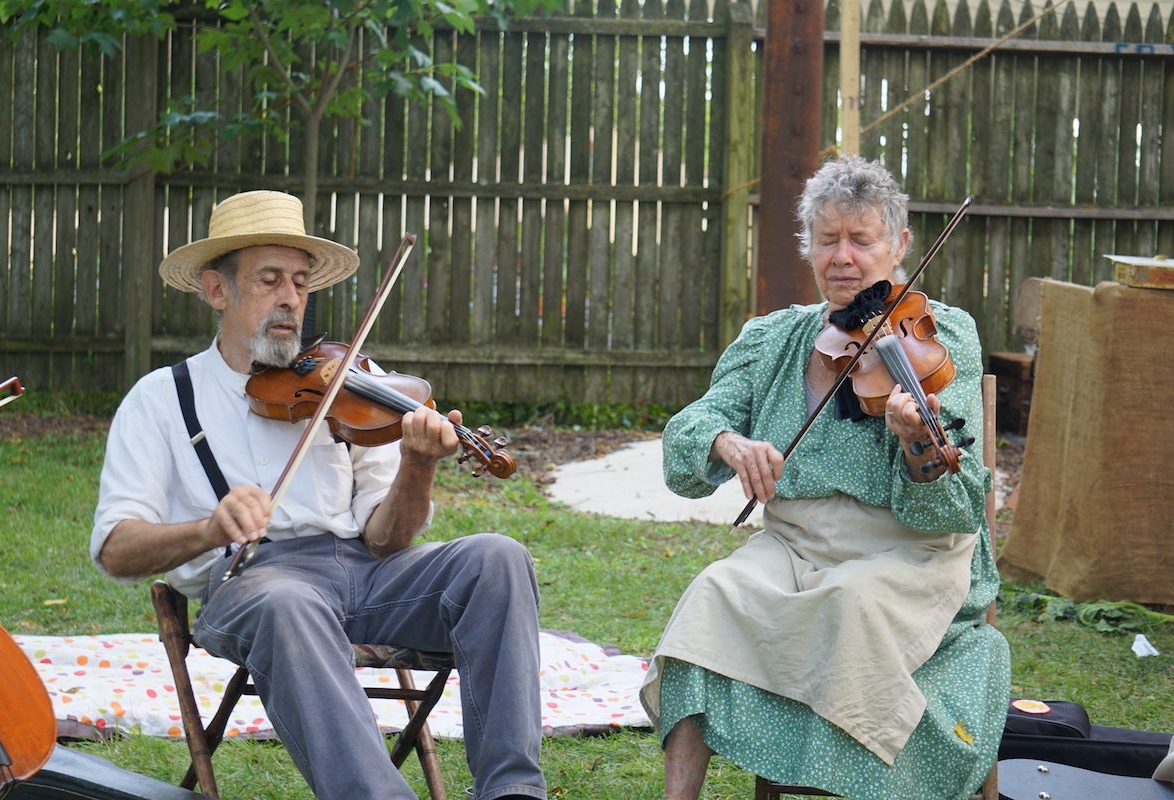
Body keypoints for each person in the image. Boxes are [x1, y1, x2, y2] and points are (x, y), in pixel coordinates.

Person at [90, 190, 547, 800]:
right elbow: (116, 549)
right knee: (287, 602)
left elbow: (387, 538)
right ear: (216, 290)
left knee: (498, 558)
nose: (290, 300)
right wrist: (206, 530)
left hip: (367, 574)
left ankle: (513, 793)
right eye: (270, 281)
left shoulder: (350, 380)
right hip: (255, 583)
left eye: (301, 284)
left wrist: (417, 464)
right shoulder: (160, 399)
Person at [639, 155, 1010, 800]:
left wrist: (917, 439)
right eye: (828, 238)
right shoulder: (773, 338)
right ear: (808, 246)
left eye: (862, 240)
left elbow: (954, 509)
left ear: (898, 246)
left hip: (907, 552)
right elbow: (690, 430)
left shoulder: (938, 335)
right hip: (794, 544)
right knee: (712, 593)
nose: (844, 256)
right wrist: (727, 442)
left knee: (848, 604)